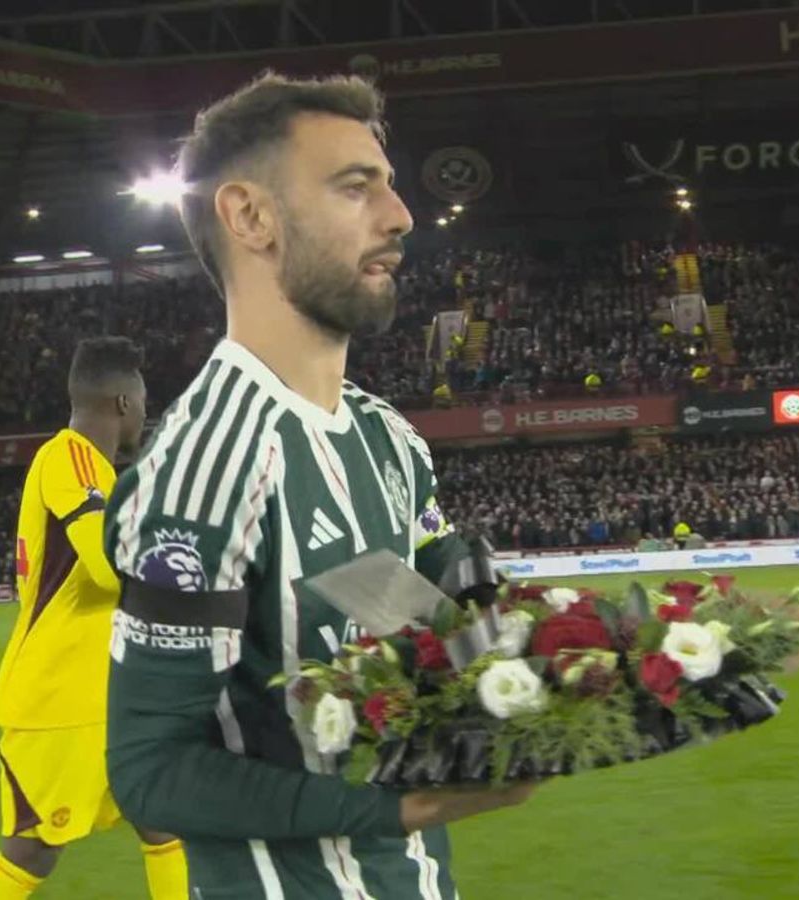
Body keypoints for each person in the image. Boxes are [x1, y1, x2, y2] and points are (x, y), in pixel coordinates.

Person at [103, 73, 534, 900]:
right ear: (251, 217)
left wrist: (506, 640)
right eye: (354, 187)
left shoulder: (385, 438)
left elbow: (383, 609)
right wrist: (398, 805)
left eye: (390, 185)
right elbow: (150, 773)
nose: (400, 216)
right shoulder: (204, 467)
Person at [0, 337, 187, 900]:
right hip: (59, 701)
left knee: (166, 823)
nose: (144, 413)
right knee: (32, 853)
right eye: (141, 401)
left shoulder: (103, 475)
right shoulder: (67, 456)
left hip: (104, 696)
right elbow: (109, 569)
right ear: (121, 403)